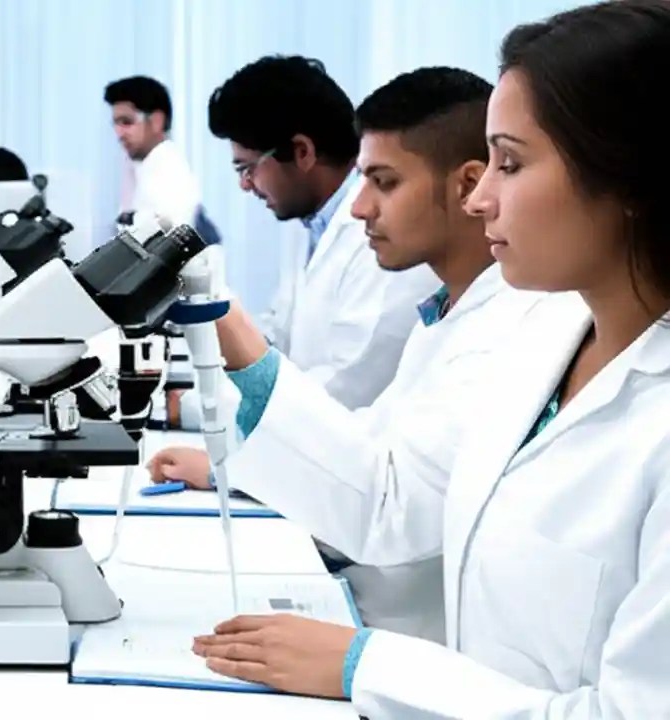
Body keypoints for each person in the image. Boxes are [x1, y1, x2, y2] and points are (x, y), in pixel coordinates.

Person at [185, 1, 670, 714]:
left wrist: (367, 665)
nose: (481, 199)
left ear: (626, 177)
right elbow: (397, 480)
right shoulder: (542, 344)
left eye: (510, 162)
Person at [149, 67, 547, 644]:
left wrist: (231, 332)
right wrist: (227, 466)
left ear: (467, 187)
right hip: (368, 594)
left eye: (383, 183)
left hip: (405, 631)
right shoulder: (448, 311)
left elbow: (385, 503)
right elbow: (369, 438)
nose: (359, 209)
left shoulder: (501, 325)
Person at [171, 56, 439, 431]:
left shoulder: (385, 234)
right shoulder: (313, 224)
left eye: (248, 168)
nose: (245, 185)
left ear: (302, 152)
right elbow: (277, 344)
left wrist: (190, 409)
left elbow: (347, 391)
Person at [105, 75, 220, 244]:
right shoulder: (142, 169)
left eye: (127, 122)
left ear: (157, 121)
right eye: (116, 124)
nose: (119, 133)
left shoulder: (170, 173)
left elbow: (166, 248)